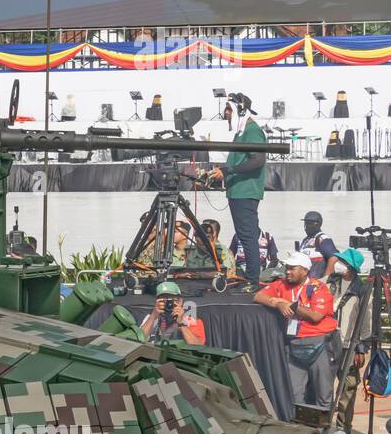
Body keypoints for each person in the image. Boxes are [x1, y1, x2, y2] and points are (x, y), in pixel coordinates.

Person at [254, 252, 338, 409]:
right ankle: (301, 424)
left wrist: (290, 305)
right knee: (294, 394)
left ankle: (324, 424)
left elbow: (315, 316)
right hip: (294, 343)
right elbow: (258, 296)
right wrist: (278, 304)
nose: (287, 271)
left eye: (292, 268)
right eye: (287, 267)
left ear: (305, 271)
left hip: (320, 343)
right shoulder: (282, 284)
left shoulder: (318, 288)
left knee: (323, 394)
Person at [208, 94, 267, 292]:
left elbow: (257, 160)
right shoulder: (242, 132)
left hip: (245, 192)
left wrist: (228, 171)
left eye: (228, 109)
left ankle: (252, 280)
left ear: (240, 109)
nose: (225, 113)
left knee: (248, 237)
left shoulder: (252, 131)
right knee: (245, 236)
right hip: (238, 191)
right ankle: (251, 278)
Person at [330, 247, 371, 434]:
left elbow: (365, 320)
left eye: (343, 262)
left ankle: (343, 426)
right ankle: (322, 423)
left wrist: (361, 348)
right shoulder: (331, 283)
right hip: (327, 342)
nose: (338, 264)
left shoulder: (361, 289)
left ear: (351, 268)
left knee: (348, 386)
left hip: (349, 345)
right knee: (324, 385)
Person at [140, 281, 206, 345]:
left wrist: (181, 324)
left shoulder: (191, 321)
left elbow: (198, 346)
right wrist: (153, 317)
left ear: (180, 301)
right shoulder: (151, 318)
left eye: (170, 300)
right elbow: (139, 341)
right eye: (163, 300)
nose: (167, 304)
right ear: (157, 302)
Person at [297, 210, 339, 280]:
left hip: (316, 282)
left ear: (318, 224)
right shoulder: (305, 240)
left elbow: (334, 258)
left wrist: (325, 280)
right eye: (305, 223)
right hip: (305, 282)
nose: (306, 226)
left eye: (309, 223)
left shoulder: (323, 239)